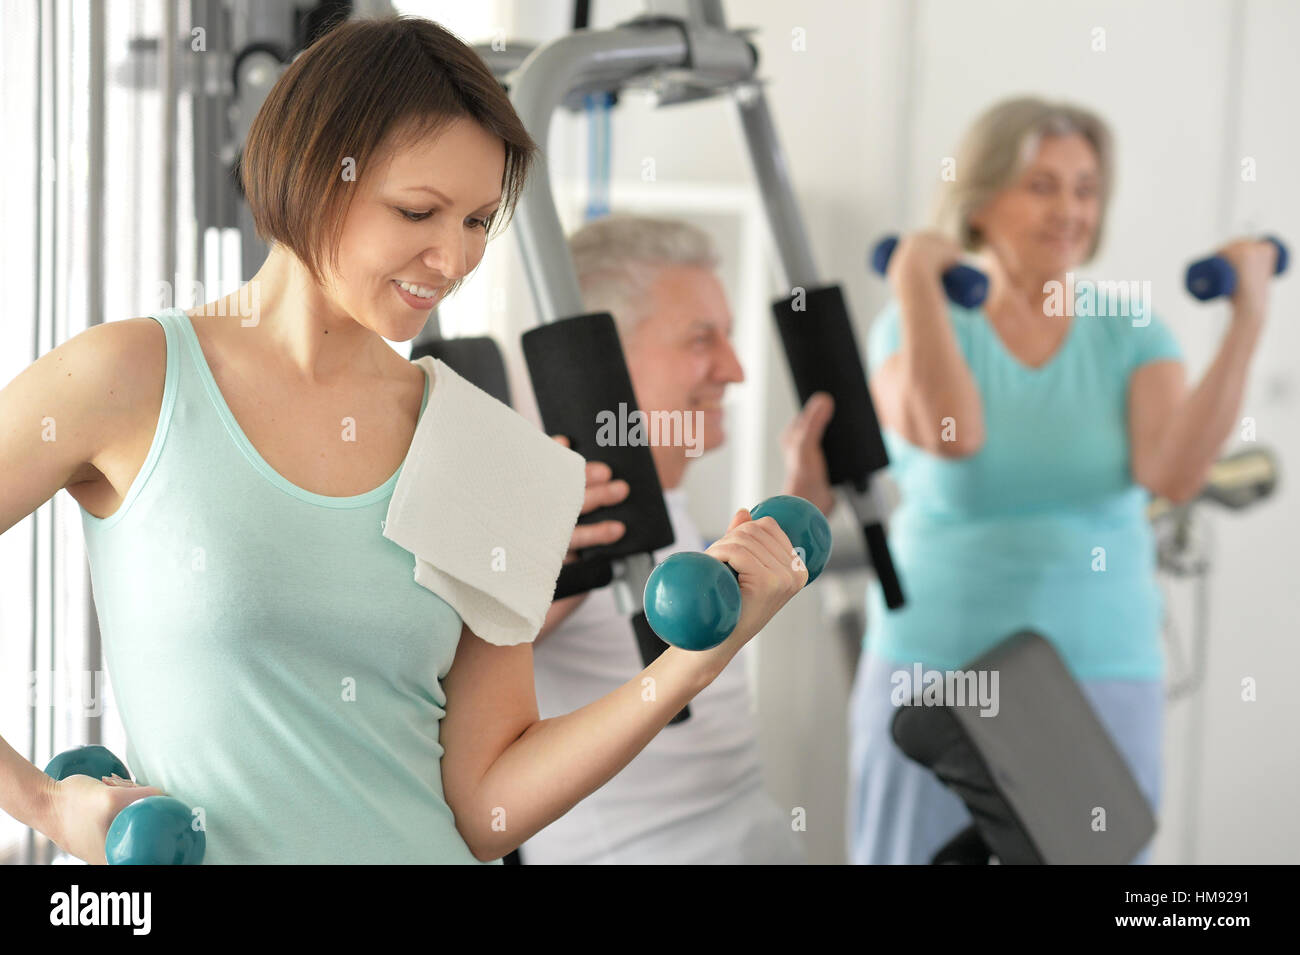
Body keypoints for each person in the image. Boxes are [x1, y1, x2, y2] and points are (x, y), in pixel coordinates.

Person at [0, 15, 809, 865]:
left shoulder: (483, 444)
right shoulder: (131, 379)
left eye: (477, 221)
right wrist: (45, 803)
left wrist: (691, 661)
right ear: (316, 171)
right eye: (419, 210)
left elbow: (485, 809)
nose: (454, 258)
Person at [846, 96, 1279, 865]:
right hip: (937, 658)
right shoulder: (906, 329)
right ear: (979, 200)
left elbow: (1173, 474)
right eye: (1041, 185)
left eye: (1085, 188)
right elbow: (954, 434)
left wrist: (1249, 319)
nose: (1070, 209)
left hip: (1099, 660)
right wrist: (917, 276)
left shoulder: (1129, 330)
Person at [520, 215, 836, 864]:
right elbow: (446, 668)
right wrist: (521, 572)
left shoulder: (664, 508)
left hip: (751, 828)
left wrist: (797, 514)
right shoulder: (552, 514)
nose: (736, 369)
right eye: (701, 339)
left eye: (729, 337)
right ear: (603, 363)